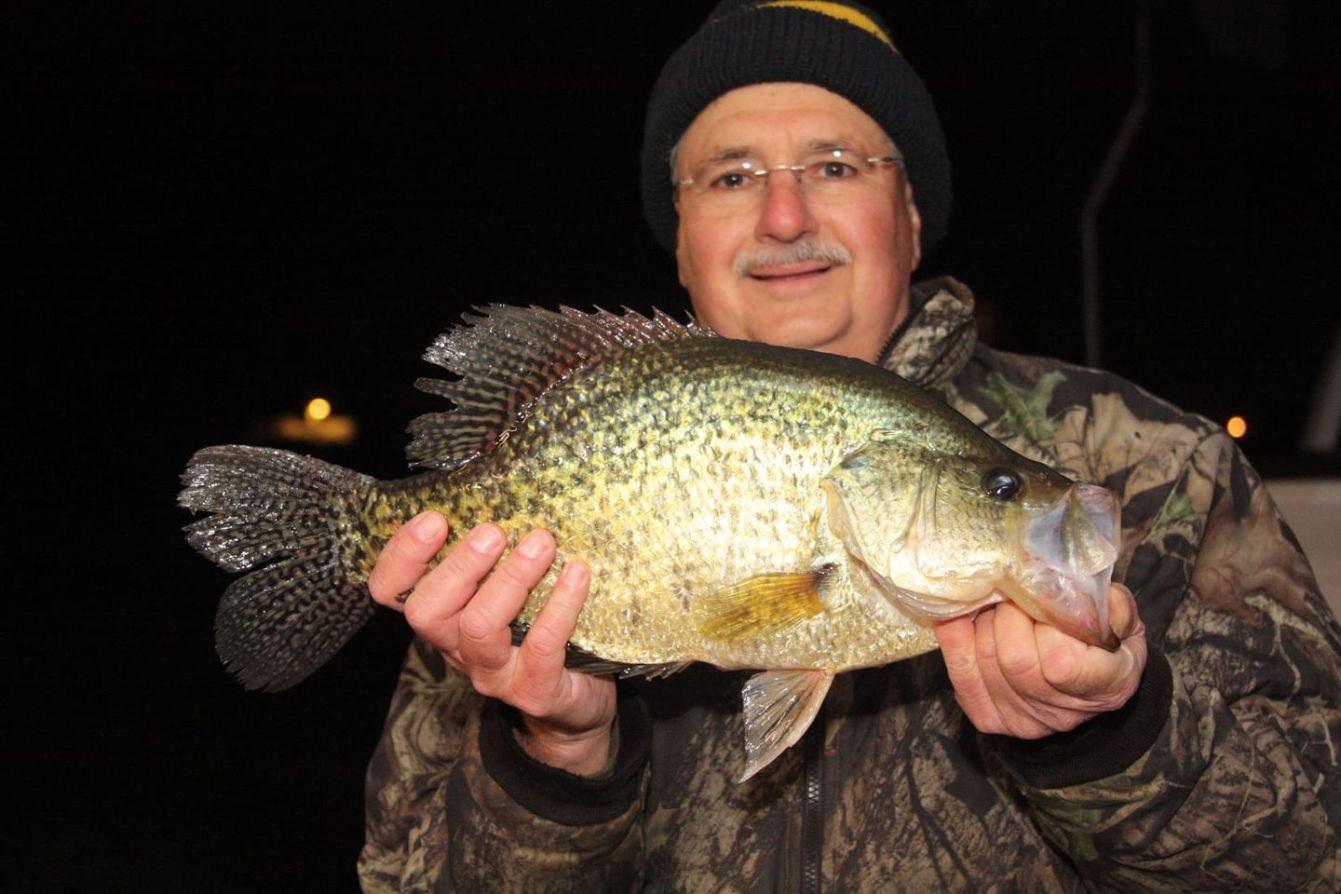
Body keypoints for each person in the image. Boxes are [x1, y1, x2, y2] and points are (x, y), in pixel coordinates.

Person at [357, 2, 1341, 890]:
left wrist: (1121, 738)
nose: (785, 217)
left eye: (834, 166)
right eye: (733, 176)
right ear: (682, 241)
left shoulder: (1162, 468)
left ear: (911, 220)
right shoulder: (488, 572)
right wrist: (555, 761)